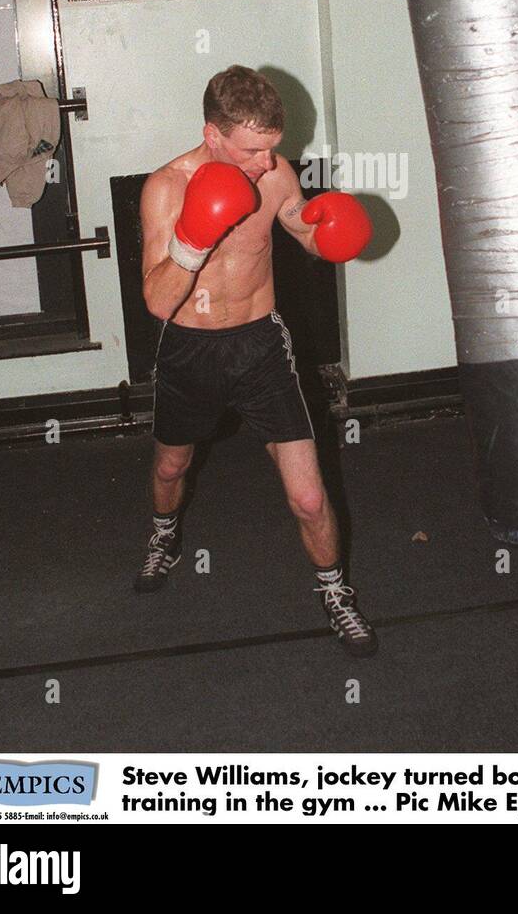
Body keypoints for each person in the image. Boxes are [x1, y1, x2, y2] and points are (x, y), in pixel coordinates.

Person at [136, 65, 378, 658]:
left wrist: (328, 234)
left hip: (261, 347)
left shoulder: (275, 171)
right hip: (190, 347)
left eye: (273, 149)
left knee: (311, 497)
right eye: (254, 151)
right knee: (171, 469)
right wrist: (194, 240)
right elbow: (158, 302)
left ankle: (334, 590)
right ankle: (164, 534)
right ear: (212, 135)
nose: (267, 164)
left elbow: (301, 228)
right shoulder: (167, 188)